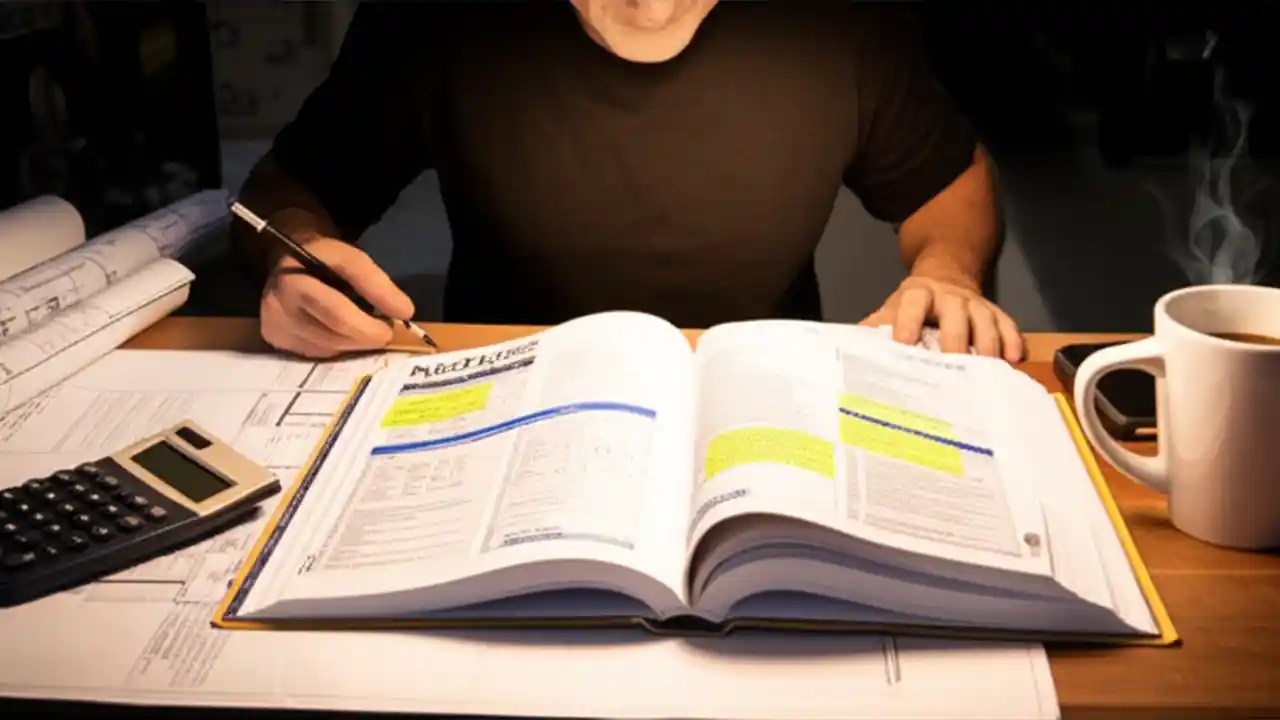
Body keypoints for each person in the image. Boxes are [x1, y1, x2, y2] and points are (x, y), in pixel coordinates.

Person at [233, 0, 1024, 362]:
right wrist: (292, 257)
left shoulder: (843, 20)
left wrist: (946, 272)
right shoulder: (434, 17)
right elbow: (283, 191)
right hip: (509, 404)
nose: (650, 8)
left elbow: (948, 183)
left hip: (762, 405)